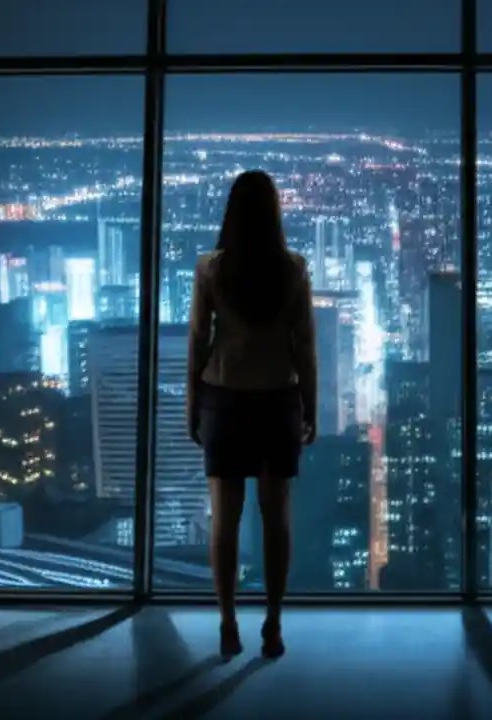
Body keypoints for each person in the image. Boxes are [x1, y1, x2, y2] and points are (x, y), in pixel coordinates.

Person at [187, 170, 317, 660]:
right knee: (276, 518)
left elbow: (198, 342)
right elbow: (304, 346)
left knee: (225, 521)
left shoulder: (210, 270)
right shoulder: (294, 269)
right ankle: (274, 625)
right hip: (278, 400)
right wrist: (311, 407)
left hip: (223, 397)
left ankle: (227, 624)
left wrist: (191, 408)